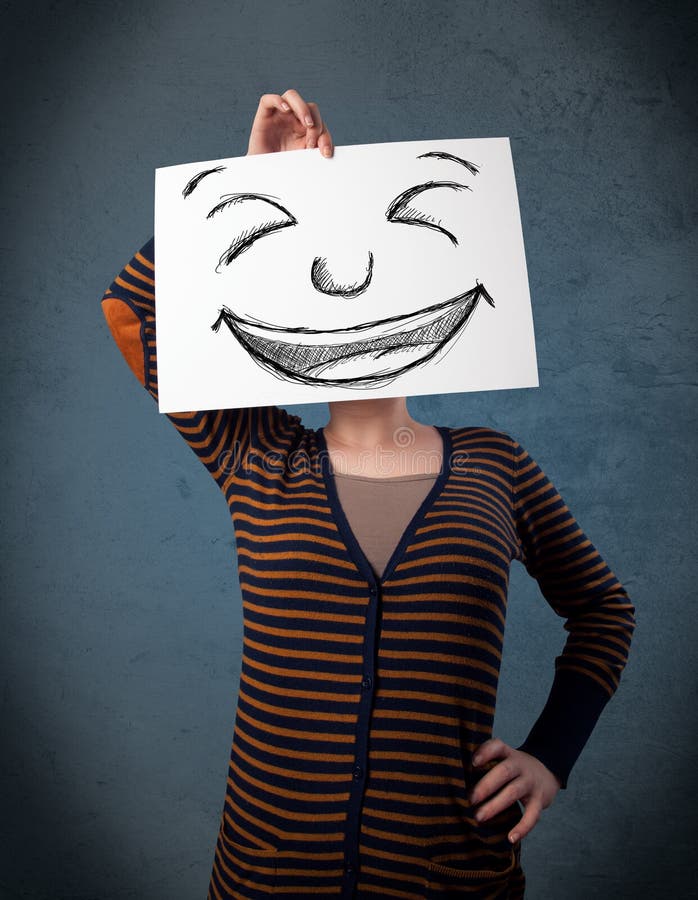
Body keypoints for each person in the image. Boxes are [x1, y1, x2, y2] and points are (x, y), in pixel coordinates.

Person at [101, 89, 636, 900]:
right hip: (264, 880)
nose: (351, 285)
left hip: (453, 879)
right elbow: (133, 311)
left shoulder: (497, 466)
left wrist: (551, 755)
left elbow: (604, 610)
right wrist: (252, 182)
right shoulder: (253, 453)